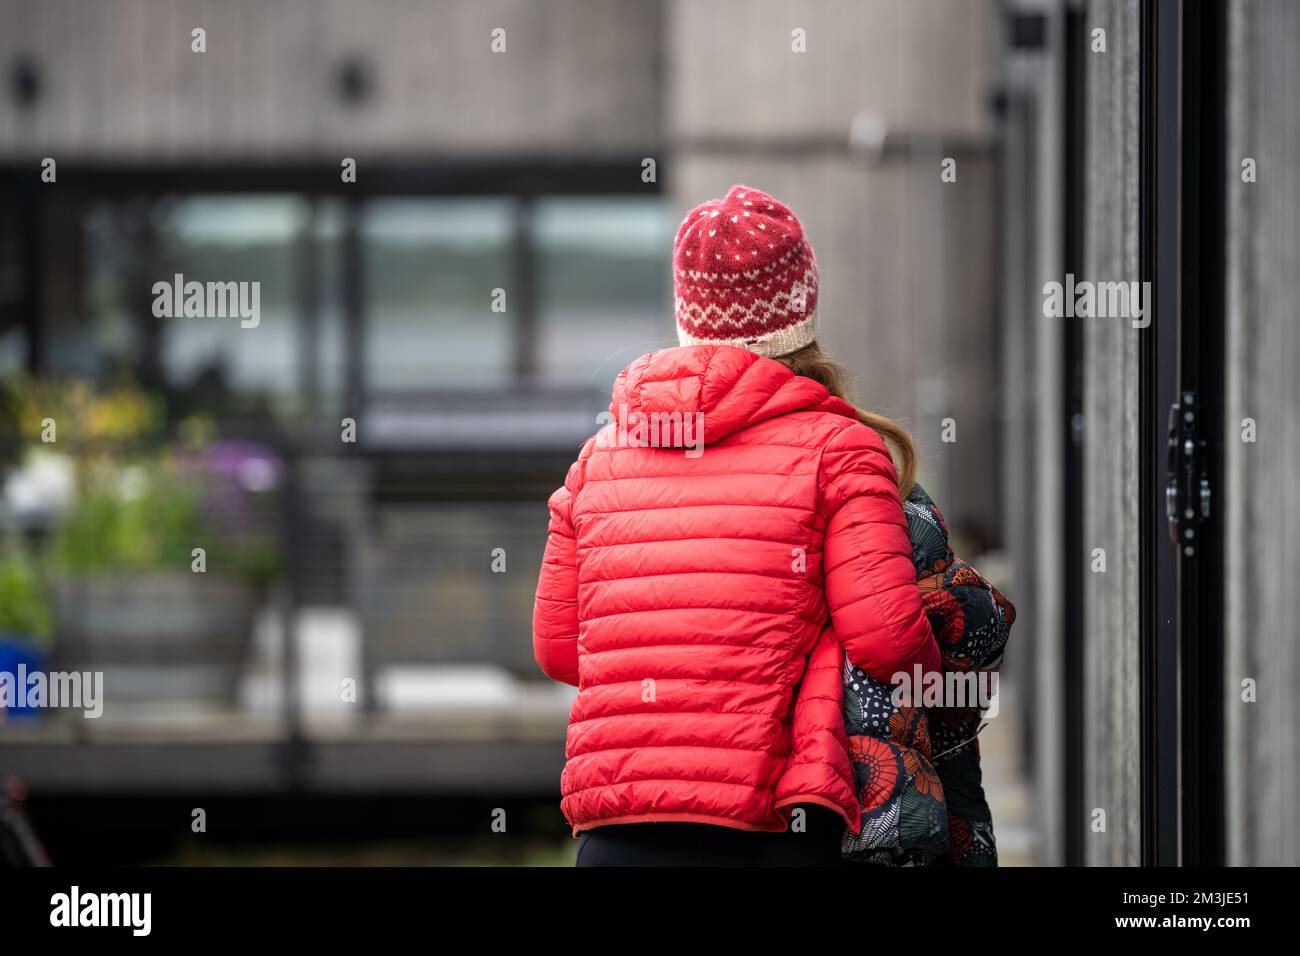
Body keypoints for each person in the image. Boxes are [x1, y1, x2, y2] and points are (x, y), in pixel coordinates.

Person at [532, 184, 941, 866]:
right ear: (801, 307)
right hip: (771, 826)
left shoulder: (597, 460)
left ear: (687, 311)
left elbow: (559, 651)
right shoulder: (839, 449)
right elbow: (888, 638)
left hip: (617, 833)